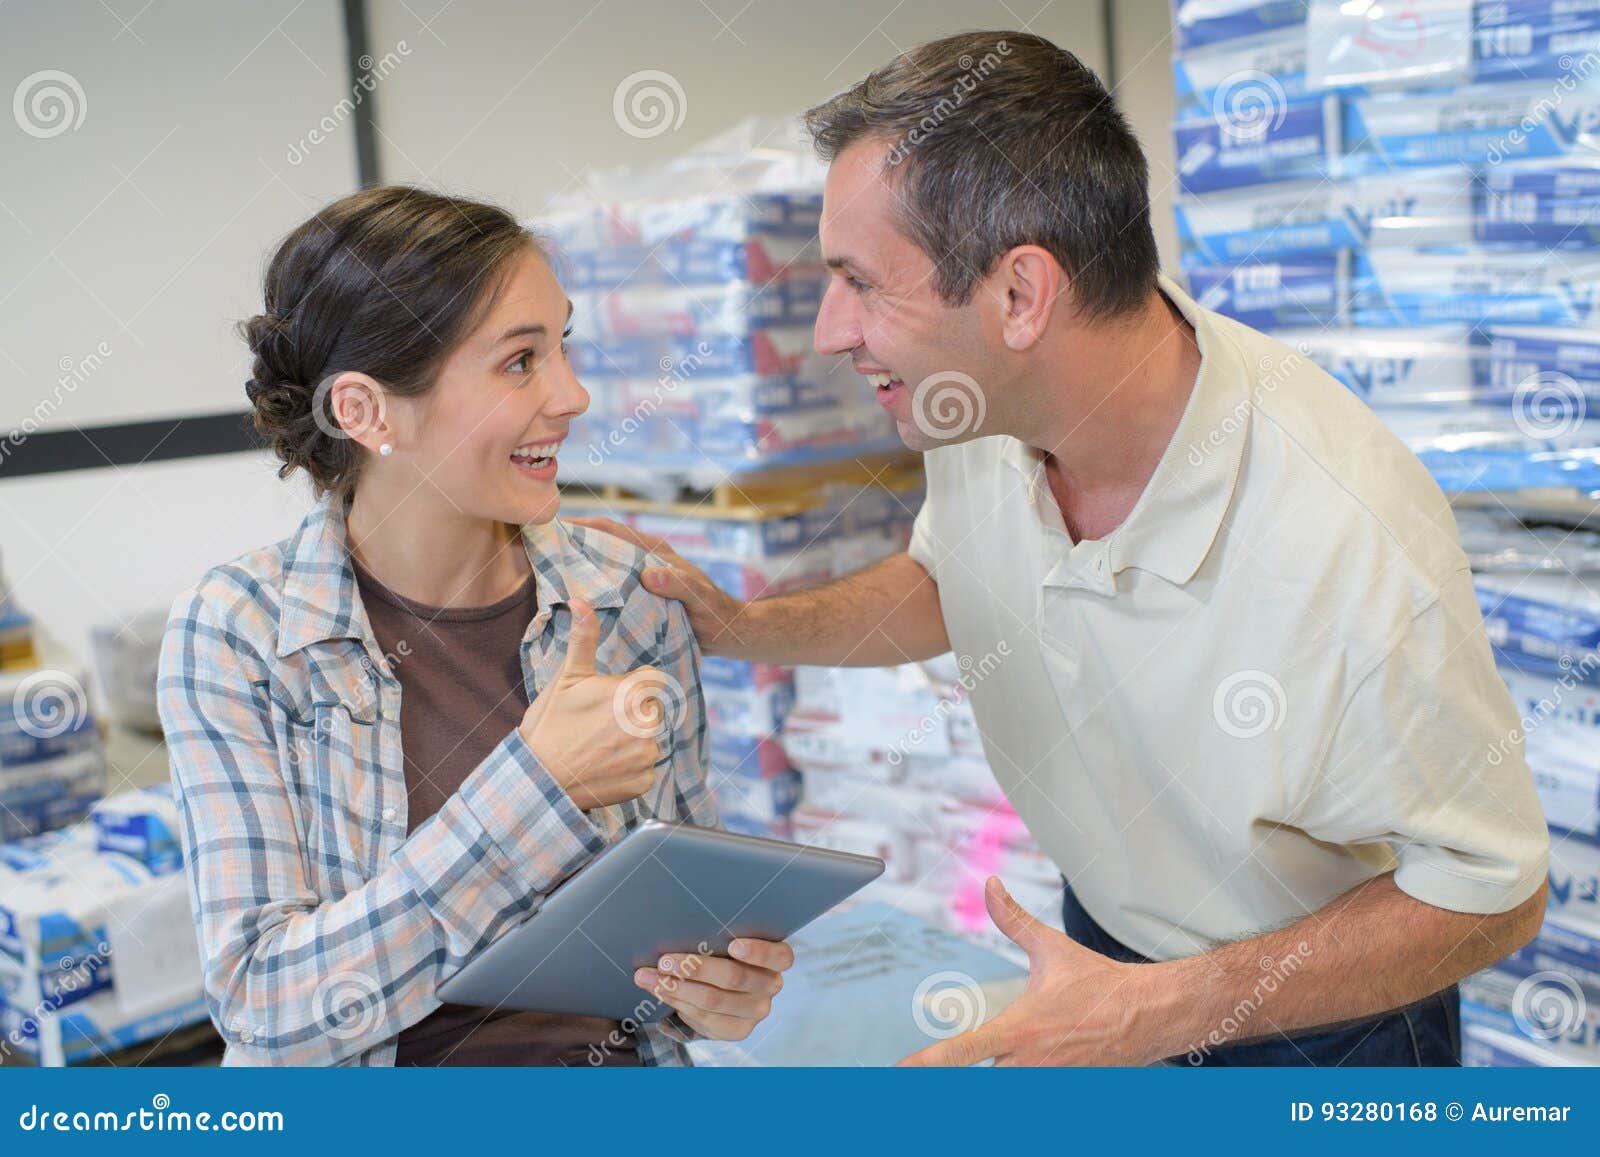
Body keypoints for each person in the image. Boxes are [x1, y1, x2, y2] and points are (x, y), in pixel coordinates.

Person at [572, 31, 1551, 1066]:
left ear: (1018, 296)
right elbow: (950, 581)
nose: (827, 330)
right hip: (1102, 945)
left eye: (860, 282)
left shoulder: (1341, 539)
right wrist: (742, 625)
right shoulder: (978, 414)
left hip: (1314, 1021)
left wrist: (1158, 1009)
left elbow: (1495, 893)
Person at [157, 186, 792, 1067]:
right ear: (366, 411)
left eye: (562, 345)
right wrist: (538, 788)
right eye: (520, 362)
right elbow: (267, 1008)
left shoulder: (624, 598)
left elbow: (678, 928)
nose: (571, 395)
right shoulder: (239, 635)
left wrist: (711, 991)